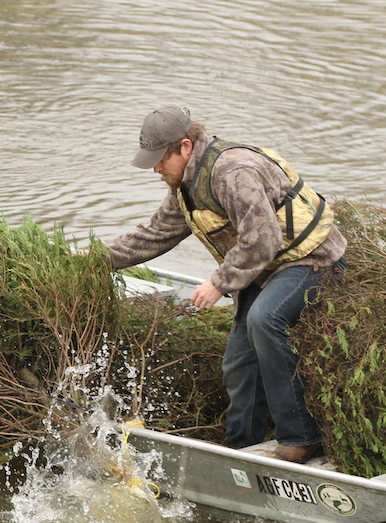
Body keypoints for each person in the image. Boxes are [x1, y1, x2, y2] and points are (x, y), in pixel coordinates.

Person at [103, 106, 347, 462]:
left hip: (312, 260)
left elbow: (262, 239)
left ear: (185, 147)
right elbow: (154, 235)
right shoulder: (185, 184)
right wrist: (93, 258)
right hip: (263, 269)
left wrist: (219, 283)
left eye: (159, 160)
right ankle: (242, 448)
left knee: (264, 320)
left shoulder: (233, 173)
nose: (155, 168)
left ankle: (301, 437)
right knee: (238, 362)